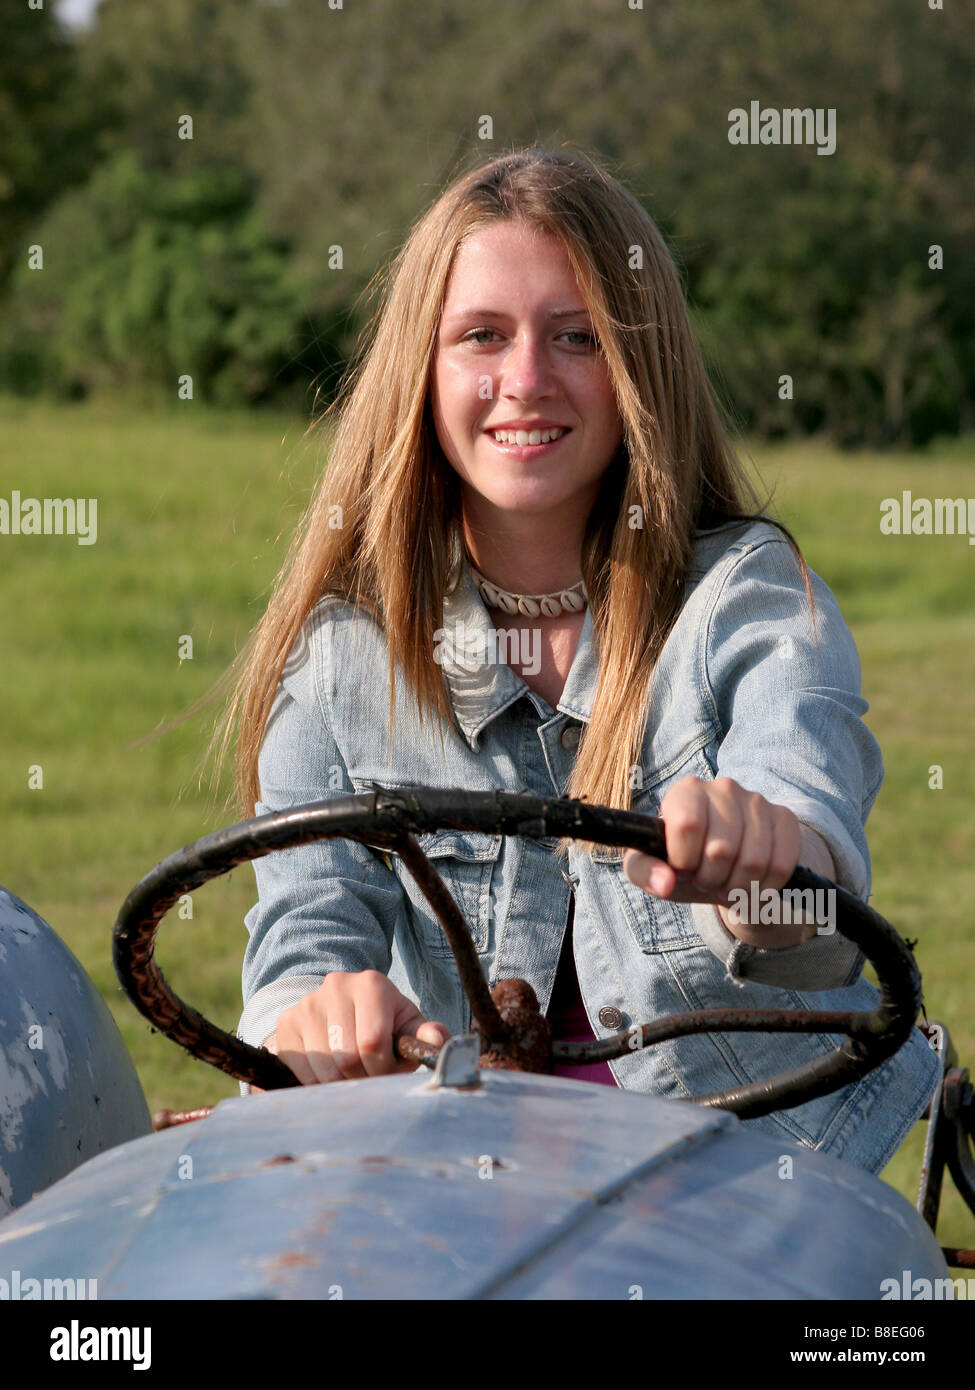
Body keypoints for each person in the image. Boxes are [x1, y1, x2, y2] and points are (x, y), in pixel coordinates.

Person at [215, 145, 939, 1171]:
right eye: (481, 336)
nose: (525, 380)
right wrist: (314, 1022)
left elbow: (816, 901)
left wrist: (760, 864)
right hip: (470, 1181)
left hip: (745, 1179)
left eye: (576, 337)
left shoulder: (747, 602)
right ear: (421, 372)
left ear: (638, 364)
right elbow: (299, 950)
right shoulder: (346, 659)